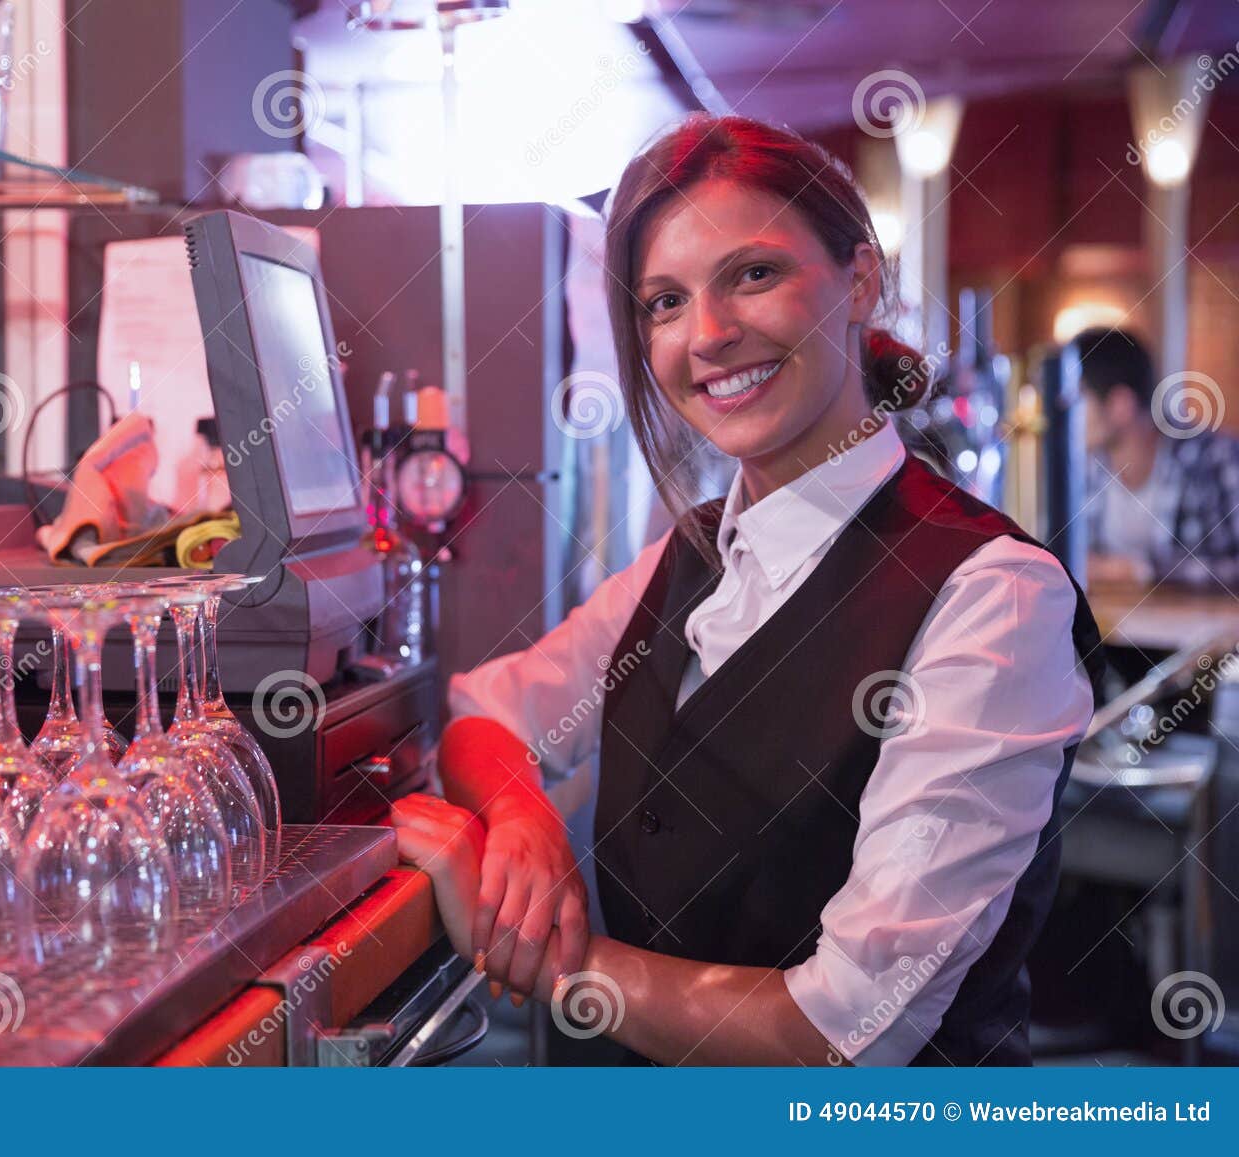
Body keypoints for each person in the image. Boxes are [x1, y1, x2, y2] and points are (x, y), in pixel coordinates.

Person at [392, 114, 1105, 1066]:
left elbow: (846, 1025)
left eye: (754, 274)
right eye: (664, 302)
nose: (709, 336)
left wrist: (545, 961)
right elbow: (486, 712)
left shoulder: (992, 597)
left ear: (860, 280)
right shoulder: (685, 557)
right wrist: (522, 817)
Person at [1073, 327, 1239, 590]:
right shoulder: (1083, 469)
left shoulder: (1217, 460)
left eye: (1077, 399)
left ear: (1120, 406)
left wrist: (1145, 571)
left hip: (1199, 628)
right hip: (1111, 627)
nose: (1065, 415)